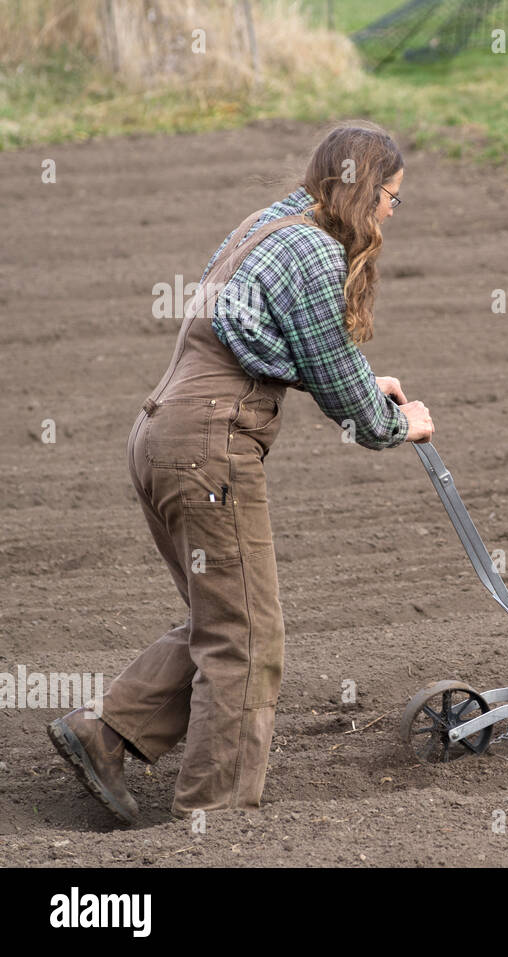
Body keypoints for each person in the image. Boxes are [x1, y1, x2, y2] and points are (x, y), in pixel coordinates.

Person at [47, 122, 433, 824]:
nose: (390, 214)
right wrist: (397, 422)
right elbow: (351, 406)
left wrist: (366, 382)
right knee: (248, 638)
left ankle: (105, 730)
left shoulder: (270, 223)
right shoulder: (316, 253)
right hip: (208, 447)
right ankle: (214, 820)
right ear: (365, 189)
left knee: (219, 618)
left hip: (161, 433)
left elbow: (302, 354)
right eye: (391, 198)